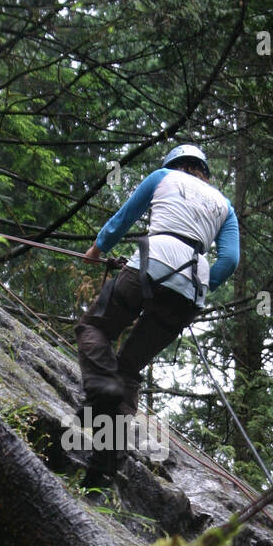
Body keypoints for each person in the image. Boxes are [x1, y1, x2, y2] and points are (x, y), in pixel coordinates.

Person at [76, 143, 239, 487]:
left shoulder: (162, 176)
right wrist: (203, 285)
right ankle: (105, 465)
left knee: (95, 327)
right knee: (130, 367)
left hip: (151, 263)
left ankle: (101, 390)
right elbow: (230, 260)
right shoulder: (224, 206)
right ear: (204, 172)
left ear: (175, 164)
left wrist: (97, 250)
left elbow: (124, 218)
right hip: (191, 286)